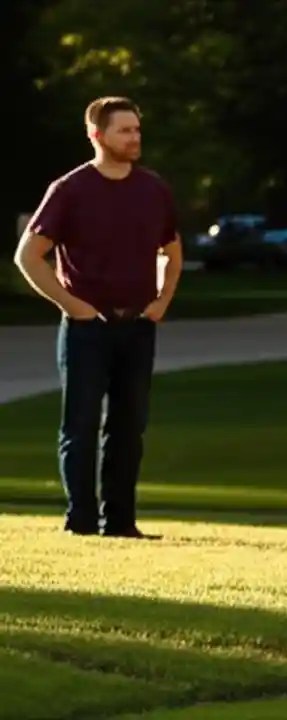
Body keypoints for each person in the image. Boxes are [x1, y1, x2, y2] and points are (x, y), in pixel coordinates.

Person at [11, 96, 182, 538]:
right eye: (125, 130)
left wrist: (162, 301)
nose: (134, 138)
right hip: (87, 328)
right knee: (81, 425)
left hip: (138, 327)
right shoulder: (70, 190)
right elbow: (28, 256)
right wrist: (72, 305)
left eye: (137, 130)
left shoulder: (154, 189)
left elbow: (172, 250)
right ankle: (81, 522)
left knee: (129, 427)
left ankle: (121, 524)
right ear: (96, 135)